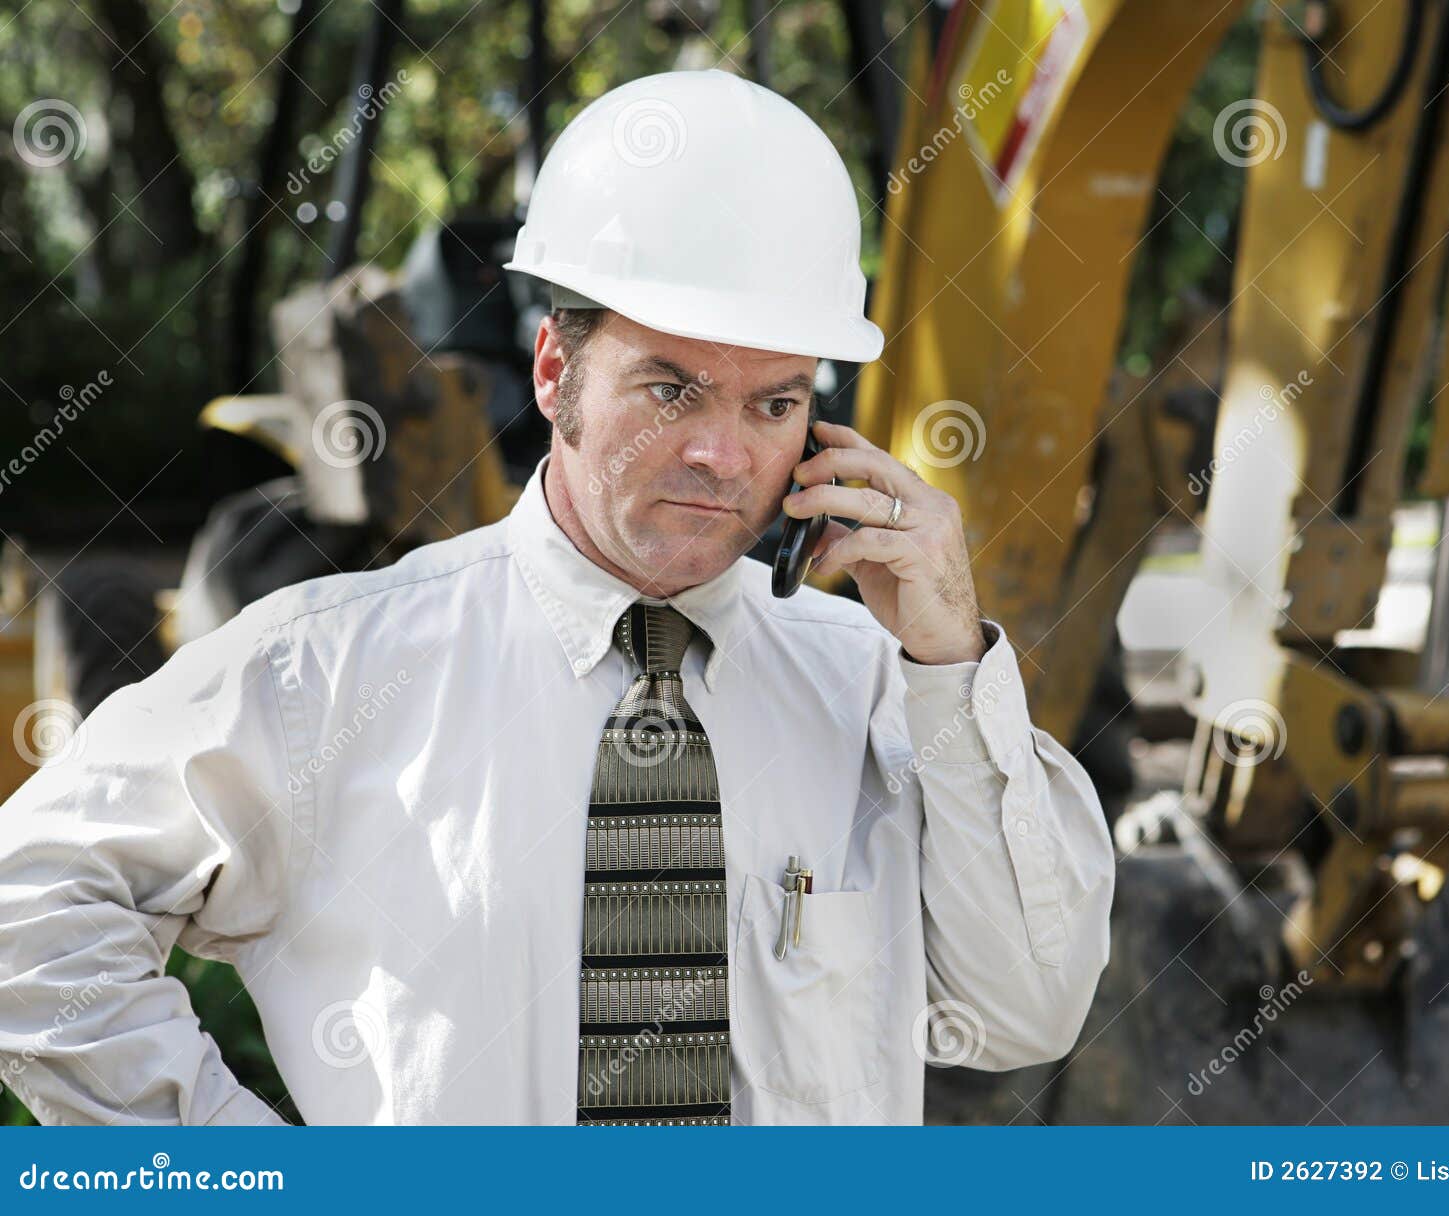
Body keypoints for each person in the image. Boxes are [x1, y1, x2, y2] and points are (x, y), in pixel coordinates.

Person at [0, 69, 1113, 1126]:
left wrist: (953, 662)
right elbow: (26, 906)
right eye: (670, 388)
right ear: (552, 373)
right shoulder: (328, 673)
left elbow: (1024, 1009)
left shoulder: (885, 687)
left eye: (774, 404)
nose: (725, 455)